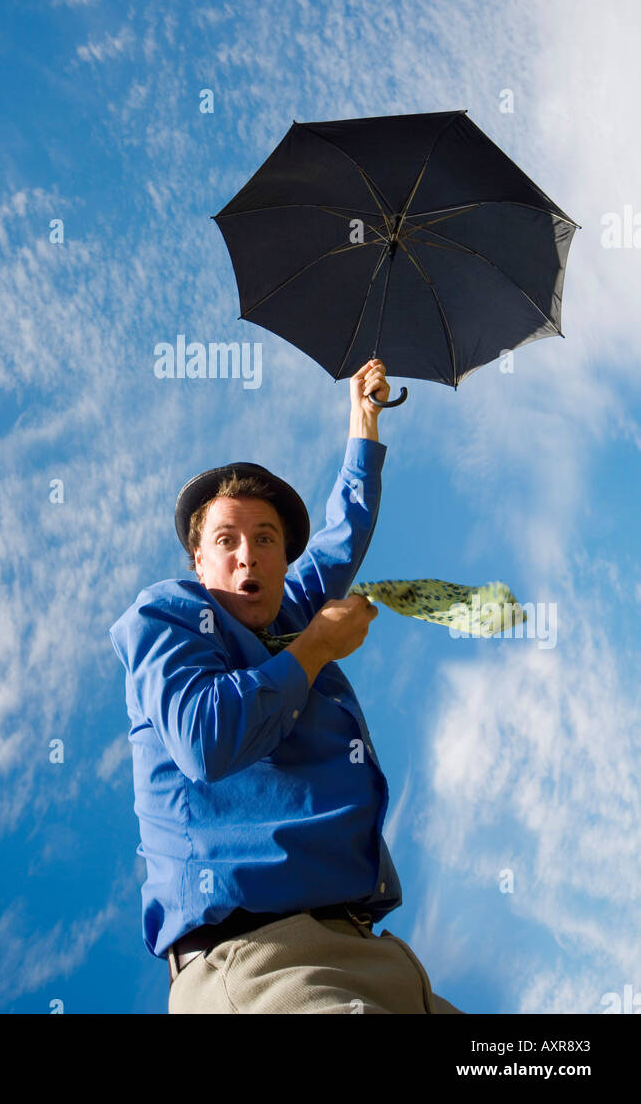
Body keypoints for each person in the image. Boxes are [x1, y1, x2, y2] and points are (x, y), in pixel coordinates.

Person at [108, 359, 464, 1014]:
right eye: (228, 538)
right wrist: (317, 648)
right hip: (258, 963)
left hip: (372, 954)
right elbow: (207, 738)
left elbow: (343, 532)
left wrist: (363, 417)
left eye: (266, 539)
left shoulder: (292, 612)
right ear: (200, 560)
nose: (248, 554)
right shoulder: (168, 616)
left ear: (283, 559)